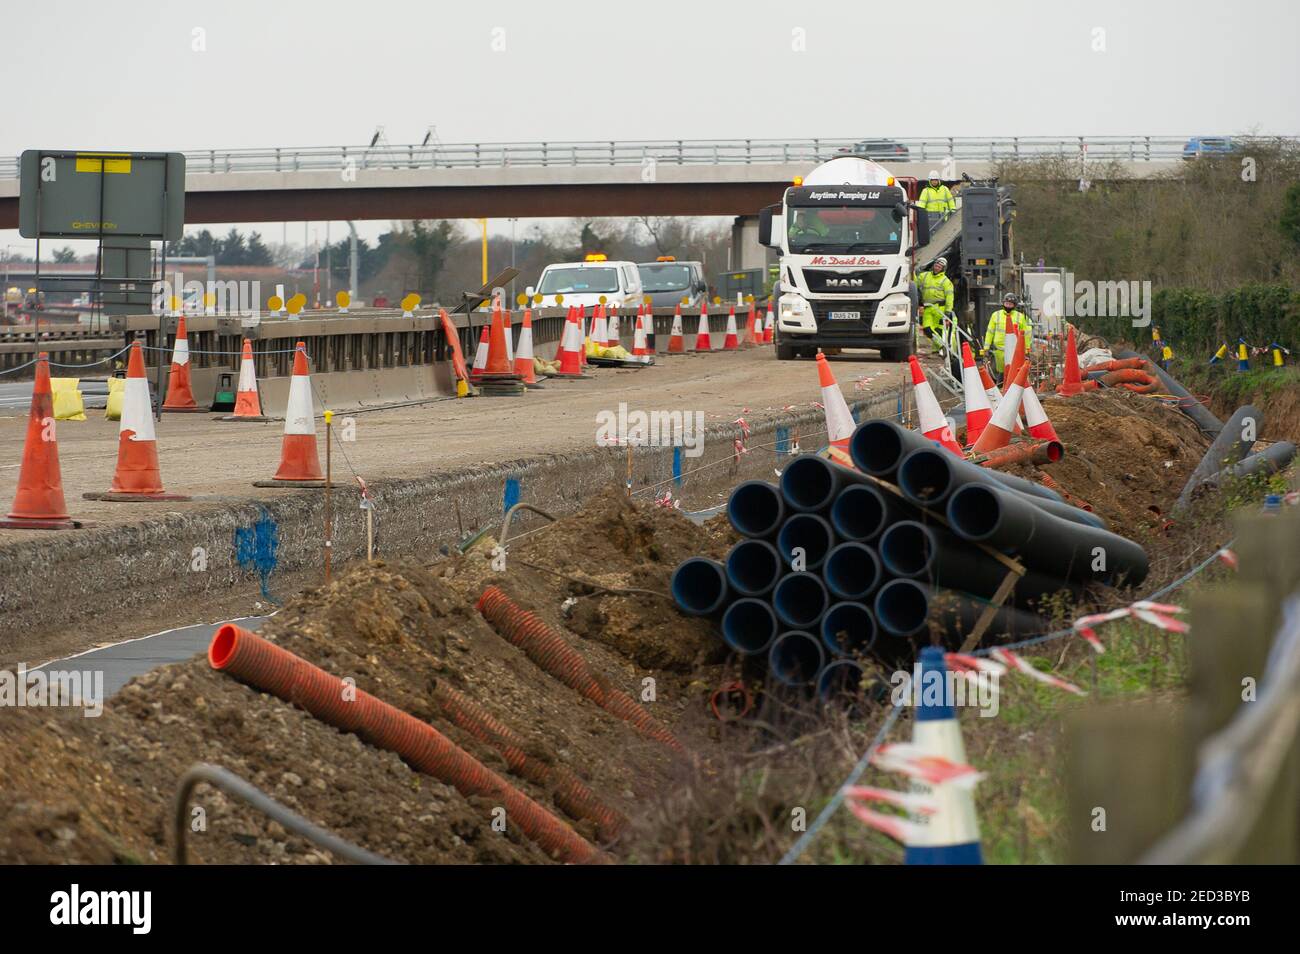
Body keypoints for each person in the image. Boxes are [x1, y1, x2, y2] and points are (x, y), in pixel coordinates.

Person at [982, 292, 1034, 375]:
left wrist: (1027, 350)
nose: (1008, 306)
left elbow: (1025, 335)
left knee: (1013, 373)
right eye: (1006, 304)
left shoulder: (1019, 316)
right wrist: (986, 348)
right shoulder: (995, 315)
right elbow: (989, 333)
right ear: (1003, 303)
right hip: (999, 351)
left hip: (1014, 351)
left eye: (1010, 304)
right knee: (1001, 373)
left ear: (1014, 305)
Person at [914, 257, 953, 352]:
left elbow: (949, 298)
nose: (937, 268)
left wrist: (948, 311)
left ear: (943, 269)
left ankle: (937, 350)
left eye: (939, 267)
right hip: (928, 307)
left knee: (938, 331)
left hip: (940, 309)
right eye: (936, 265)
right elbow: (914, 282)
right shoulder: (924, 276)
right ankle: (941, 346)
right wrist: (913, 270)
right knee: (927, 329)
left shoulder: (946, 281)